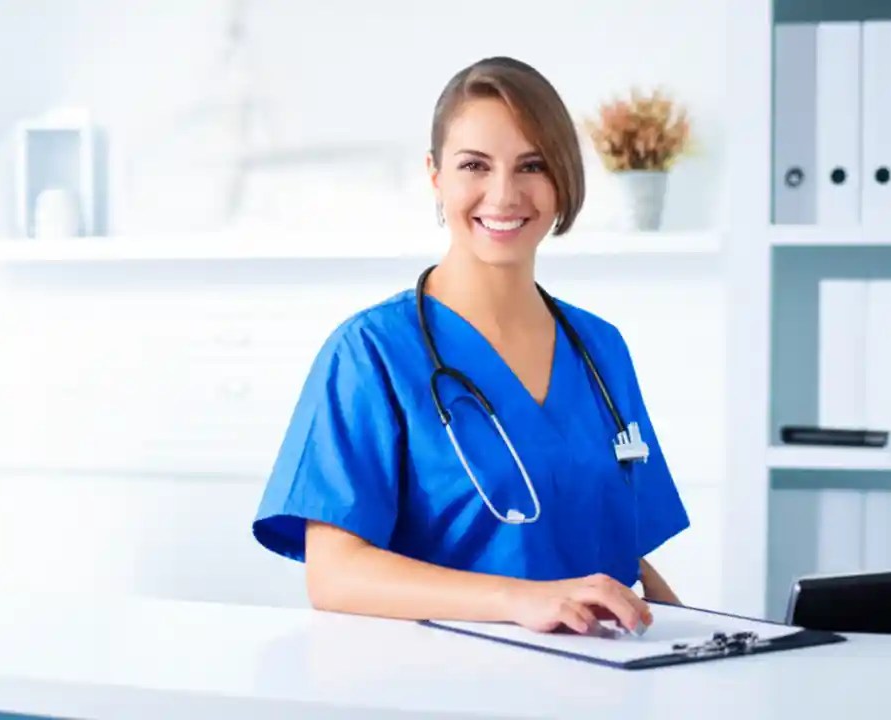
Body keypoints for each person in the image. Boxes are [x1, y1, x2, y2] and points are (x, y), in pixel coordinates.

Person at [250, 56, 689, 636]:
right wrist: (522, 599)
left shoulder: (600, 349)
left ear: (564, 177)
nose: (504, 194)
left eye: (532, 165)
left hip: (602, 680)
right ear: (436, 176)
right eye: (474, 165)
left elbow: (621, 560)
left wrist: (705, 645)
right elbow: (335, 575)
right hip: (451, 681)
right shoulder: (370, 353)